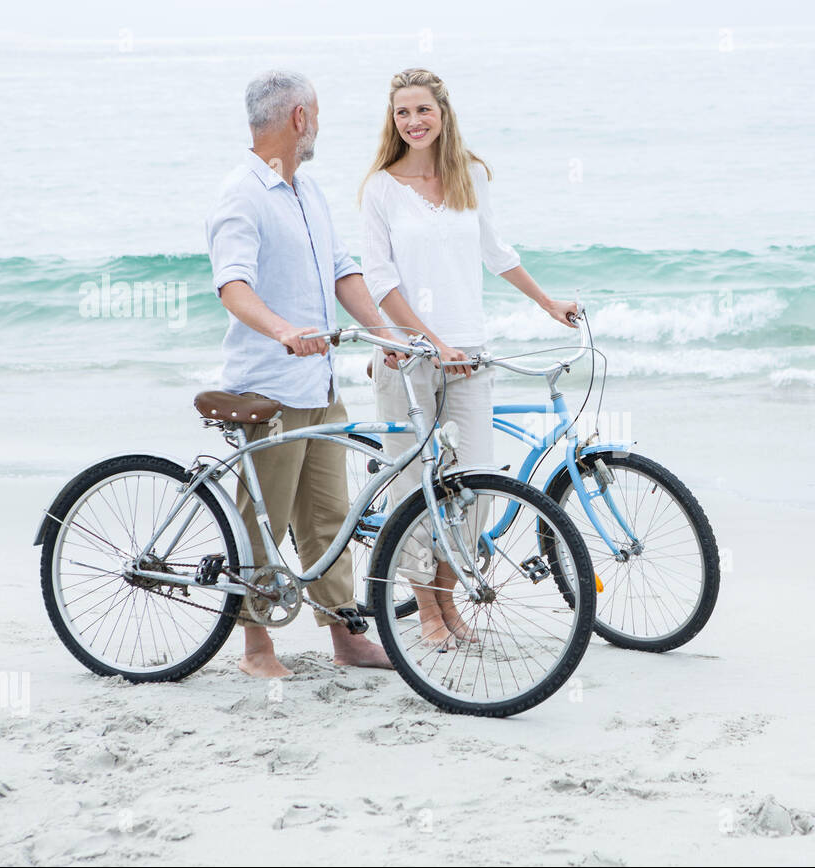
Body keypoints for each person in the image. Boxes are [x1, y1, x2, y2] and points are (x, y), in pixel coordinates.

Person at [358, 67, 578, 649]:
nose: (413, 121)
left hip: (469, 353)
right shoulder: (380, 187)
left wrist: (546, 301)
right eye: (403, 112)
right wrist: (431, 342)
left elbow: (496, 251)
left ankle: (450, 599)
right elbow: (379, 282)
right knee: (413, 486)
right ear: (393, 119)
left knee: (472, 484)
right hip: (407, 356)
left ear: (443, 112)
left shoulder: (470, 176)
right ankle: (428, 611)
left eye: (422, 110)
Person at [207, 69, 403, 677]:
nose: (319, 124)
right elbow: (232, 285)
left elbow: (344, 271)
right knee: (260, 517)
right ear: (298, 119)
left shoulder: (306, 189)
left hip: (320, 385)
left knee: (328, 515)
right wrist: (283, 330)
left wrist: (384, 331)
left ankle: (345, 635)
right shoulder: (241, 193)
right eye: (316, 114)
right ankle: (256, 649)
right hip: (269, 386)